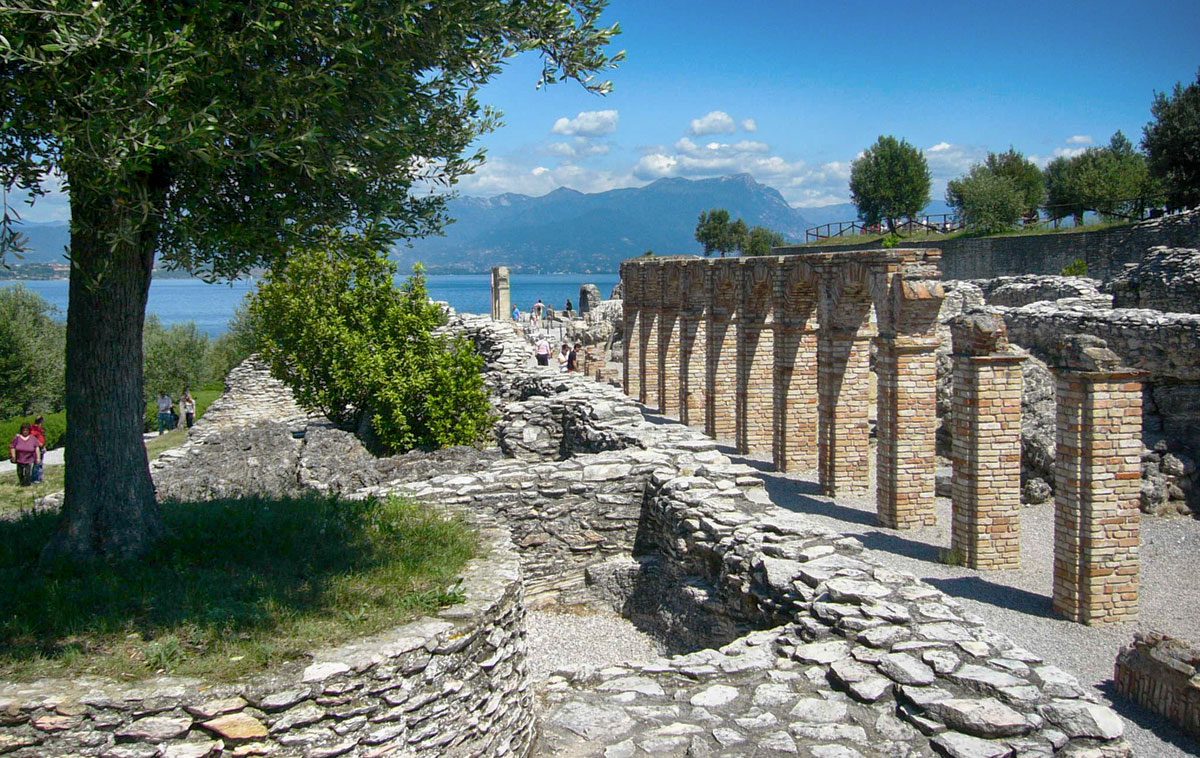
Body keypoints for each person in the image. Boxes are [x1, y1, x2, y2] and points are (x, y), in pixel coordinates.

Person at [29, 416, 46, 483]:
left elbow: (42, 437)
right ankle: (35, 478)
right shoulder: (33, 429)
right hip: (37, 448)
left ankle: (39, 477)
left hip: (41, 447)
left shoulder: (40, 429)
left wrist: (44, 446)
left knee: (40, 463)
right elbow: (33, 438)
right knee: (37, 463)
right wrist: (39, 443)